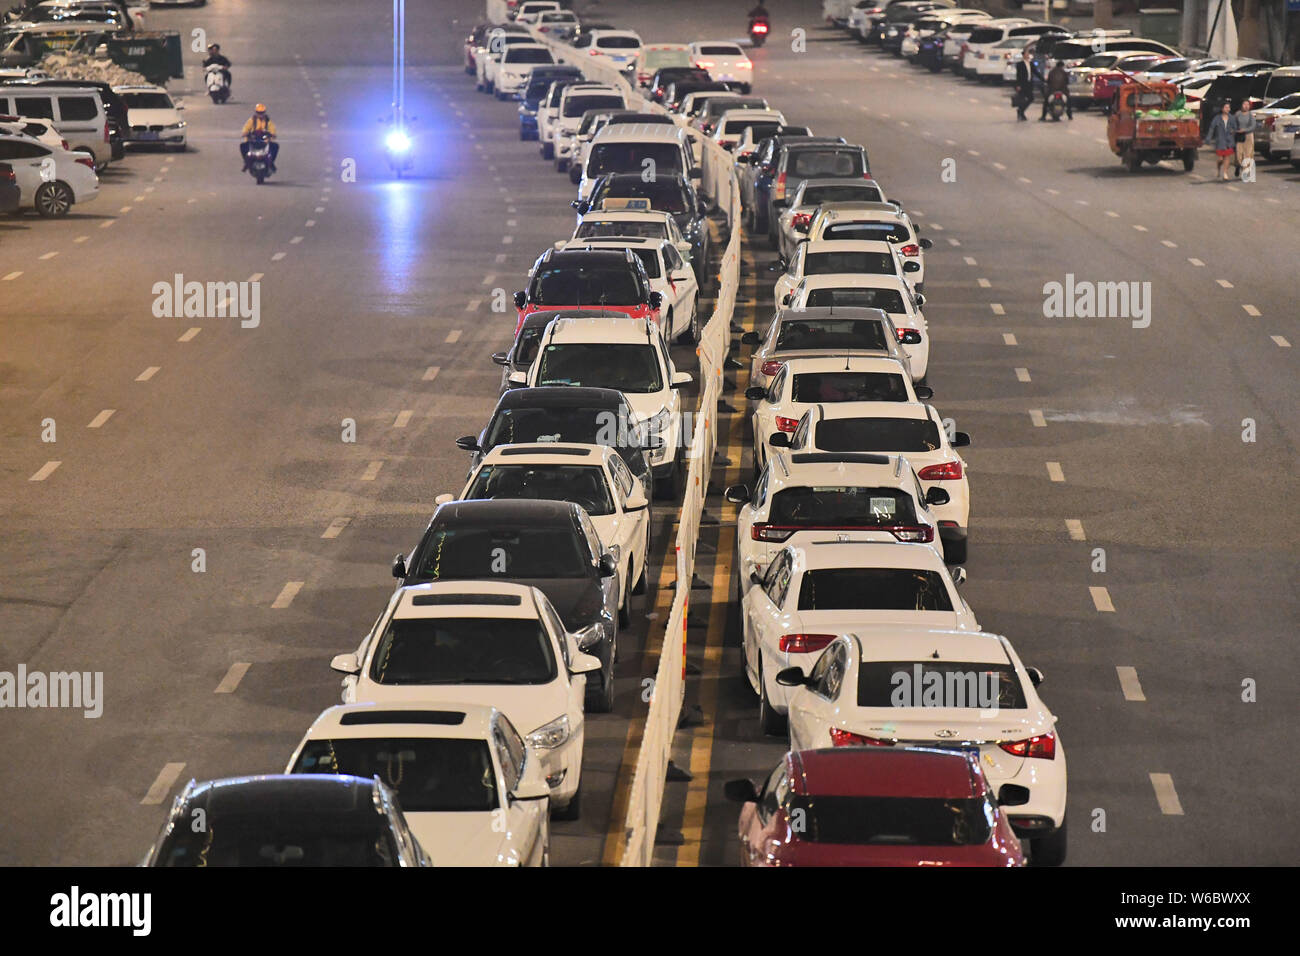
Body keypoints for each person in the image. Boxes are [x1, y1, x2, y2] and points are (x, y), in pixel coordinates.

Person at [240, 103, 278, 173]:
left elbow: (272, 129)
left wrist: (272, 134)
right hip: (253, 140)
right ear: (256, 113)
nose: (260, 115)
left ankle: (271, 163)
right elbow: (246, 128)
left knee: (275, 146)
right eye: (258, 113)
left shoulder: (268, 121)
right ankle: (246, 163)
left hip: (264, 141)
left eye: (262, 113)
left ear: (264, 113)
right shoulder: (251, 120)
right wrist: (245, 133)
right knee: (243, 146)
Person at [1204, 101, 1234, 181]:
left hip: (1229, 141)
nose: (1228, 109)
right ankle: (1218, 168)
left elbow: (1235, 127)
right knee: (1220, 159)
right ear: (1222, 108)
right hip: (1220, 141)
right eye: (1226, 107)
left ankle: (1225, 173)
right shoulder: (1217, 118)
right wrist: (1208, 138)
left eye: (1229, 107)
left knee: (1227, 157)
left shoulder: (1231, 118)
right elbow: (1212, 128)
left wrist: (1233, 131)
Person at [1232, 100, 1255, 178]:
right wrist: (1235, 130)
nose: (1246, 106)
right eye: (1244, 104)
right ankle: (1238, 166)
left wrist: (1245, 130)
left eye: (1247, 104)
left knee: (1247, 154)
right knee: (1239, 154)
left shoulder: (1250, 115)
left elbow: (1253, 126)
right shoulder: (1238, 114)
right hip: (1239, 136)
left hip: (1248, 136)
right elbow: (1233, 124)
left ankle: (1245, 171)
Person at [1013, 49, 1035, 122]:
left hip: (1029, 84)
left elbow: (1036, 72)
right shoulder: (1020, 64)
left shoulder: (1031, 63)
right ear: (1023, 55)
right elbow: (1018, 75)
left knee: (1031, 98)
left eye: (1028, 54)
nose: (1028, 55)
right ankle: (1021, 113)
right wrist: (1018, 85)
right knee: (1021, 100)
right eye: (1026, 54)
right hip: (1022, 84)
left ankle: (1021, 111)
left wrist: (1044, 80)